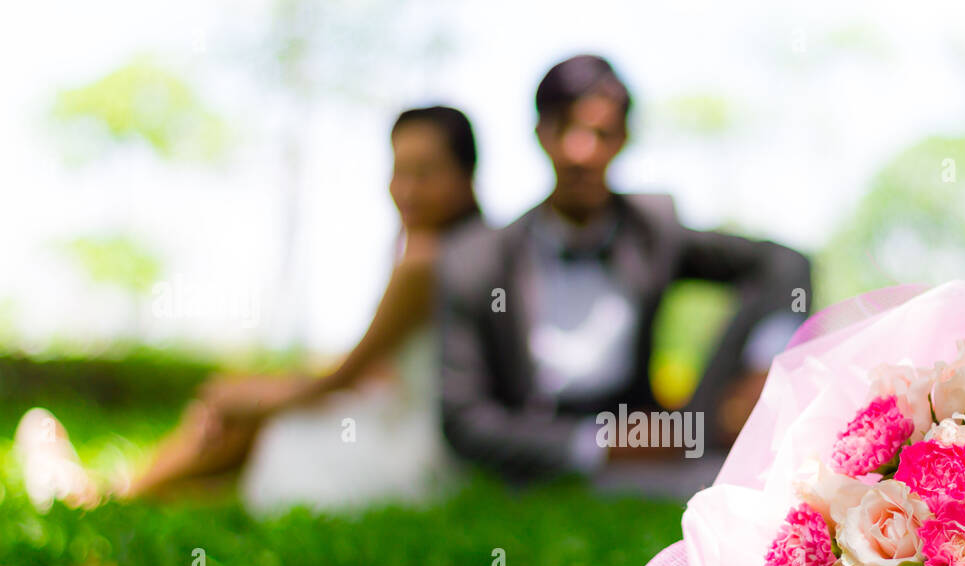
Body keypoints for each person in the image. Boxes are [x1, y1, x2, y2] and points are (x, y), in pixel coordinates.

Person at [17, 105, 482, 513]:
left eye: (425, 173)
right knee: (247, 439)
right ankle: (115, 495)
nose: (407, 190)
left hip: (410, 450)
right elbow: (382, 368)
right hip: (435, 449)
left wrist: (252, 395)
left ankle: (102, 497)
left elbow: (346, 375)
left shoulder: (423, 264)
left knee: (250, 419)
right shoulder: (472, 252)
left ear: (465, 177)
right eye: (399, 172)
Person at [437, 54, 810, 489]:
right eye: (564, 129)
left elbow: (786, 261)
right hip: (540, 453)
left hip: (663, 443)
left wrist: (761, 366)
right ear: (540, 135)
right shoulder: (476, 260)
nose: (581, 152)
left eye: (601, 133)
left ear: (623, 140)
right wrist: (594, 444)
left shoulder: (653, 230)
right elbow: (464, 423)